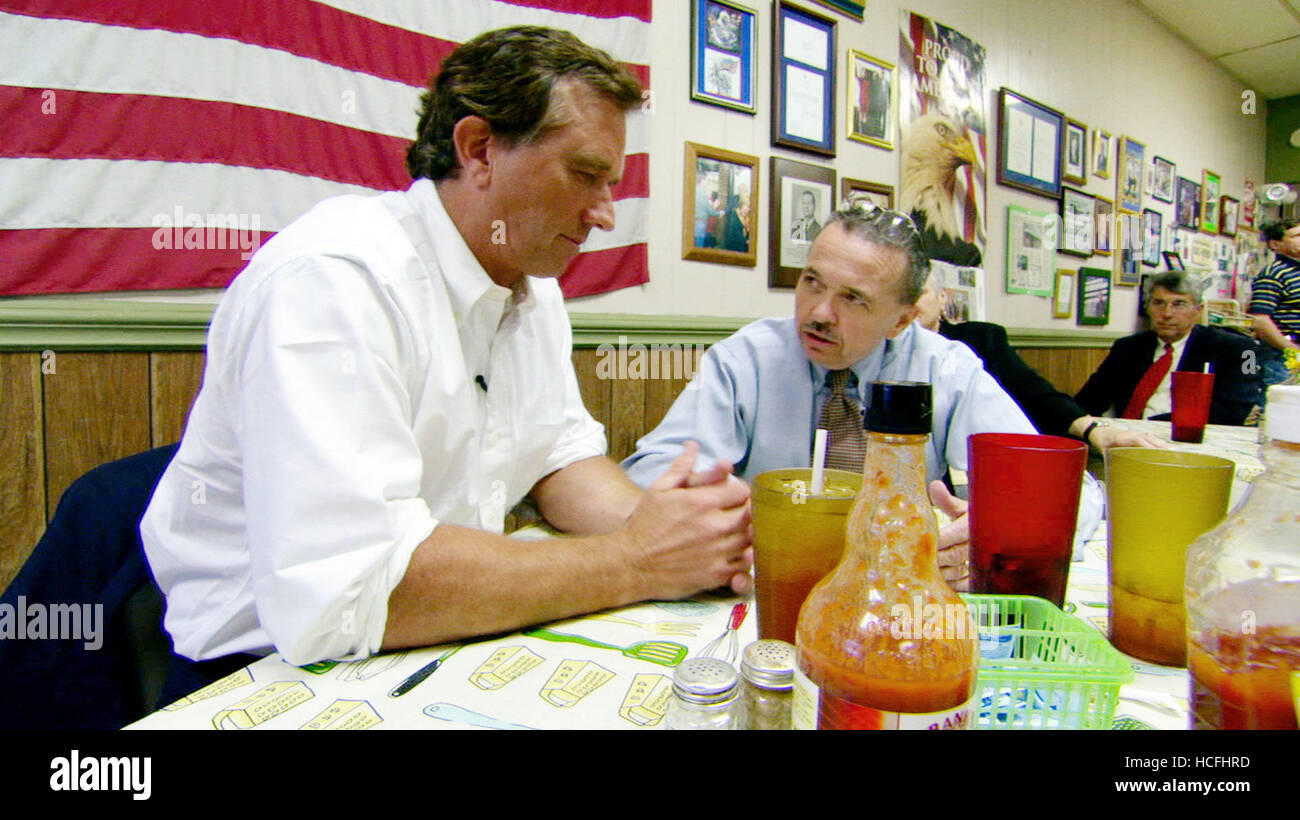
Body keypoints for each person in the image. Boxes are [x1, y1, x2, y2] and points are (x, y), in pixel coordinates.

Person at [140, 27, 753, 673]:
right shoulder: (334, 278)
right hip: (264, 662)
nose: (605, 214)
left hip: (425, 634)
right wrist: (638, 559)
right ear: (480, 149)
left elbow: (559, 457)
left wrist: (678, 531)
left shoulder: (528, 284)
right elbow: (346, 595)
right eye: (585, 174)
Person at [623, 204, 1101, 586]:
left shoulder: (947, 369)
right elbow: (651, 473)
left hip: (897, 594)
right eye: (812, 282)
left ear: (901, 320)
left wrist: (994, 539)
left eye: (852, 298)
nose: (819, 313)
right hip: (768, 585)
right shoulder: (744, 359)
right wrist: (721, 512)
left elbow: (1066, 495)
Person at [913, 273, 1164, 451]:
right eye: (899, 294)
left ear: (942, 296)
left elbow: (1035, 393)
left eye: (918, 291)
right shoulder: (878, 349)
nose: (909, 302)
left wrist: (1093, 429)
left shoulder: (981, 339)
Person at [1075, 272, 1263, 425]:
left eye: (1179, 304)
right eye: (1159, 303)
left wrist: (1152, 427)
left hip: (1190, 444)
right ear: (1148, 307)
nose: (1167, 314)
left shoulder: (1240, 349)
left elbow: (1235, 408)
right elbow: (1089, 399)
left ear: (1198, 310)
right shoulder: (1127, 348)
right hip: (1124, 439)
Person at [1249, 218, 1300, 387]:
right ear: (1275, 244)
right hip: (1283, 358)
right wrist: (1292, 351)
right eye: (1297, 235)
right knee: (1284, 407)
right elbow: (1260, 320)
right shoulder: (1275, 273)